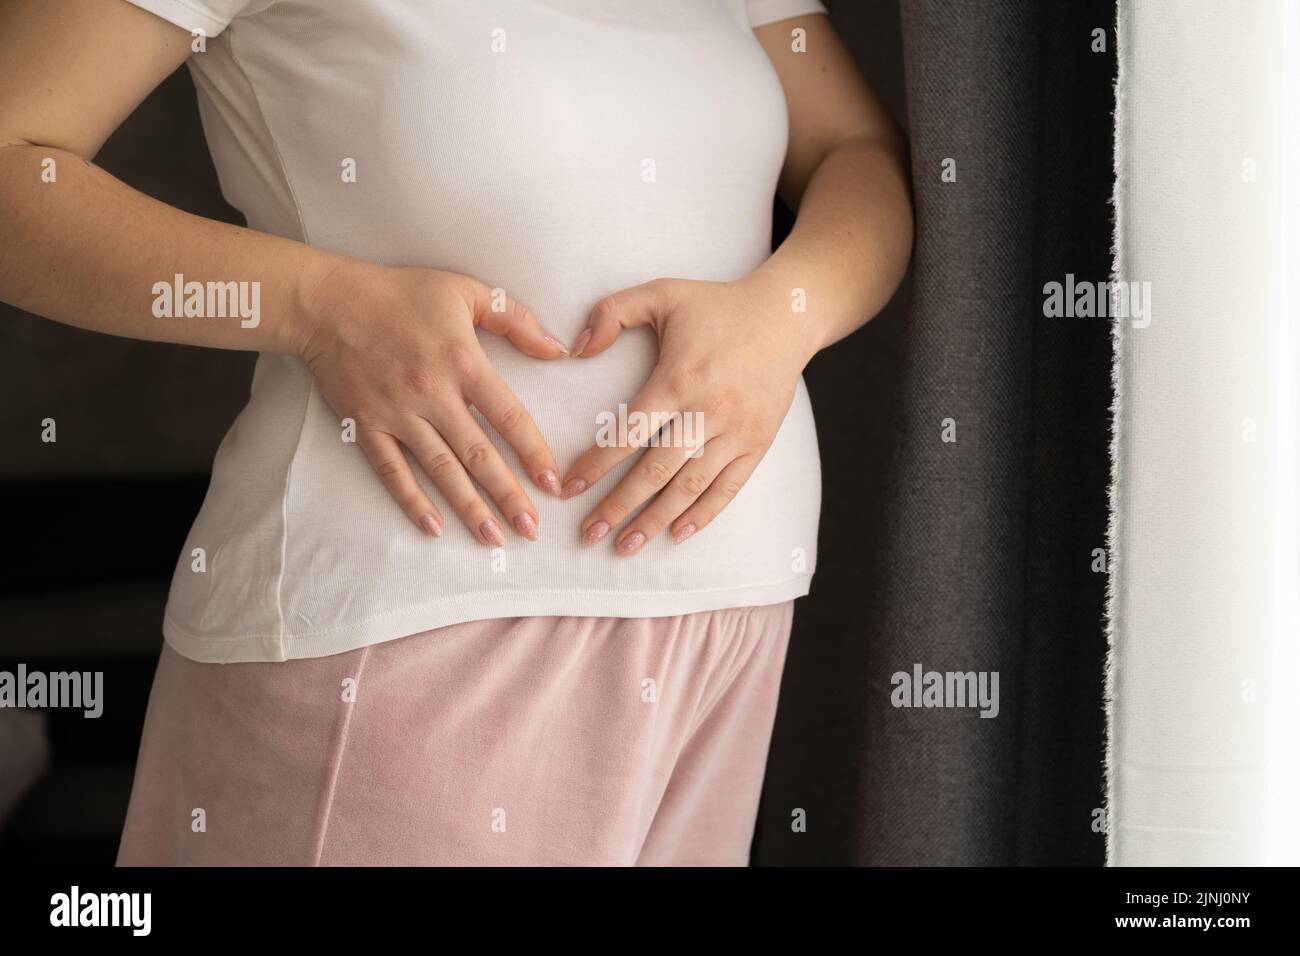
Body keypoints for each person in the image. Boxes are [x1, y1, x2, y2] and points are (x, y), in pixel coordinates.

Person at [0, 0, 912, 865]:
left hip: (723, 616)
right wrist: (317, 306)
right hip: (407, 622)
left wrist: (786, 318)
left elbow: (855, 149)